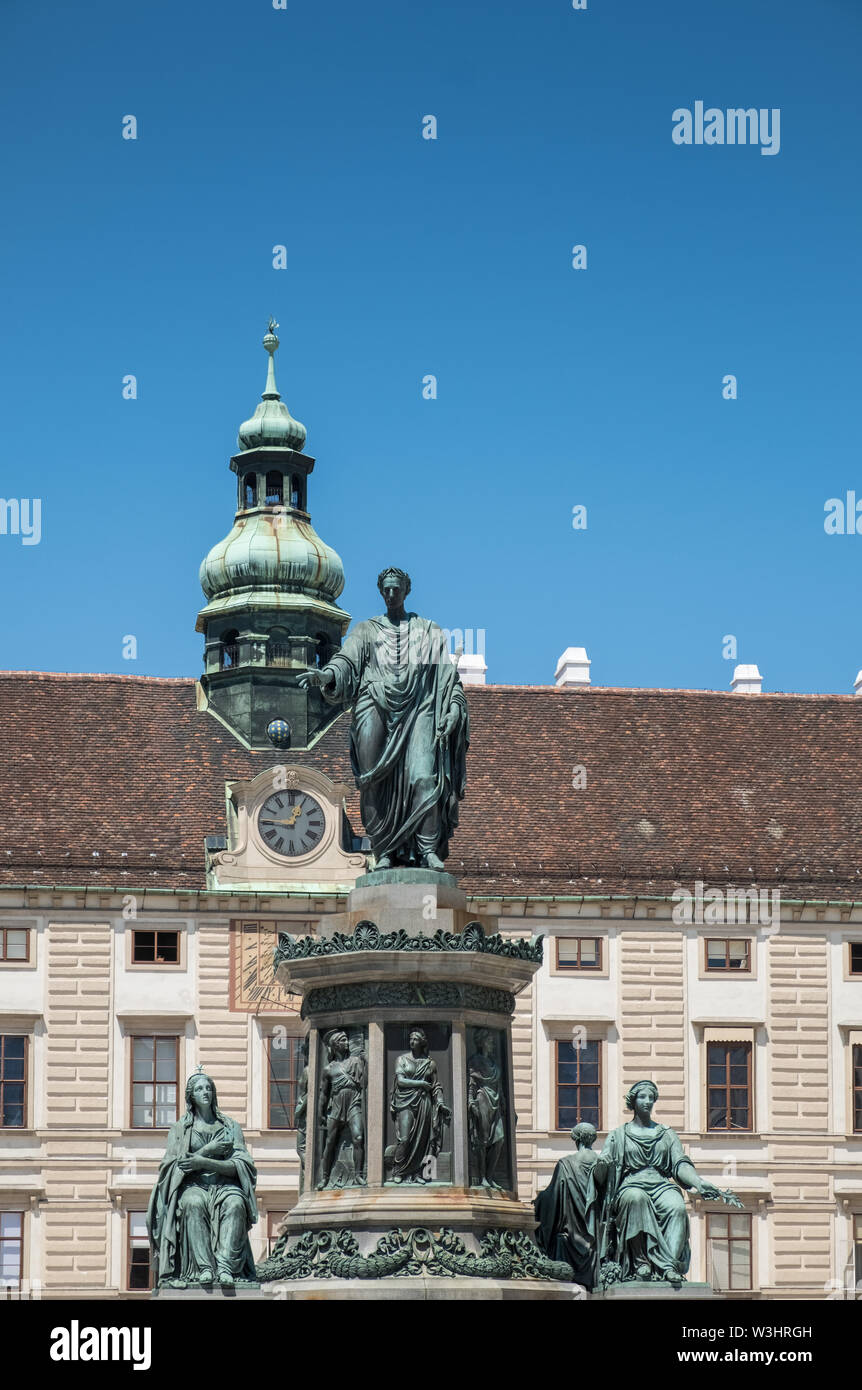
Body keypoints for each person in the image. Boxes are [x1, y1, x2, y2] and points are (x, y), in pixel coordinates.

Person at [298, 568, 468, 870]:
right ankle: (384, 849)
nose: (391, 594)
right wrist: (326, 675)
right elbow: (346, 661)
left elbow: (448, 679)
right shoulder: (366, 630)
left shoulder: (428, 631)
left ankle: (427, 849)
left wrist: (454, 708)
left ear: (406, 590)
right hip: (373, 704)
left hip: (420, 710)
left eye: (396, 589)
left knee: (423, 777)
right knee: (371, 781)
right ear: (381, 592)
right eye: (386, 590)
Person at [593, 1080, 742, 1284]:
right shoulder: (618, 1135)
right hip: (632, 1184)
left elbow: (680, 1164)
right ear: (633, 1100)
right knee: (635, 1199)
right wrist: (602, 1164)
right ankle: (640, 1262)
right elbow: (603, 1168)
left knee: (677, 1207)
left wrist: (697, 1182)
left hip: (661, 1184)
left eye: (651, 1098)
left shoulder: (666, 1134)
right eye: (642, 1097)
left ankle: (668, 1266)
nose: (647, 1101)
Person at [146, 1070, 258, 1287]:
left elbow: (241, 1166)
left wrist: (203, 1162)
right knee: (192, 1203)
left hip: (226, 1185)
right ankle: (203, 1268)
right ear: (191, 1097)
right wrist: (208, 1150)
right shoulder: (180, 1129)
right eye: (199, 1089)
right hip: (194, 1185)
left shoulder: (230, 1127)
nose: (205, 1092)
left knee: (236, 1204)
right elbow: (174, 1166)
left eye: (208, 1088)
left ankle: (226, 1268)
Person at [533, 1122, 600, 1288]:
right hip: (597, 1232)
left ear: (577, 1140)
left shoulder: (565, 1164)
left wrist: (539, 1200)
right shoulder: (602, 1163)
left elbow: (553, 1196)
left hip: (570, 1234)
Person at [389, 1029, 451, 1183]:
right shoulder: (401, 1059)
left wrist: (441, 1103)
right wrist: (422, 1084)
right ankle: (398, 1171)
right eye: (410, 1039)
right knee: (405, 1138)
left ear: (422, 1042)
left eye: (415, 1039)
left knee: (422, 1141)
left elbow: (436, 1086)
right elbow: (401, 1081)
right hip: (405, 1102)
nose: (412, 1042)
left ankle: (418, 1174)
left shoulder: (430, 1064)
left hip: (424, 1103)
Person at [317, 1030, 367, 1189]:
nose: (347, 1043)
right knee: (330, 1141)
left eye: (347, 1040)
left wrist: (367, 1062)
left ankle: (358, 1175)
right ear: (335, 1045)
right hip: (337, 1106)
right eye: (344, 1040)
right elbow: (324, 1094)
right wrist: (320, 1112)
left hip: (353, 1102)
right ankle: (324, 1178)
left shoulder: (356, 1061)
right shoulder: (329, 1069)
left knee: (358, 1138)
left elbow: (365, 1083)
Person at [467, 1028, 506, 1189]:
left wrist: (505, 1104)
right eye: (489, 1041)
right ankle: (482, 1177)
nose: (492, 1044)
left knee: (499, 1138)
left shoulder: (494, 1064)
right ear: (482, 1042)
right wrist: (470, 1101)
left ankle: (490, 1176)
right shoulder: (475, 1061)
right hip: (482, 1098)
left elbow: (500, 1087)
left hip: (495, 1101)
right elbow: (472, 1084)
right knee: (482, 1140)